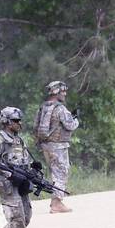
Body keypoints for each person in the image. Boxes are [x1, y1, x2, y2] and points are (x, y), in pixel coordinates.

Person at [34, 80, 78, 213]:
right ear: (56, 92)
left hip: (46, 146)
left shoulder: (42, 108)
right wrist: (76, 119)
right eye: (62, 91)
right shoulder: (60, 108)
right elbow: (70, 125)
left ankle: (56, 201)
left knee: (55, 172)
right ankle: (56, 203)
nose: (65, 94)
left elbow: (35, 127)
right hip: (58, 146)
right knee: (62, 171)